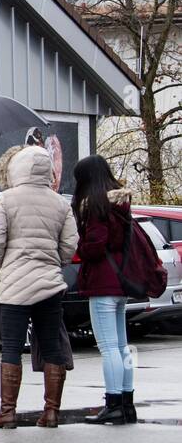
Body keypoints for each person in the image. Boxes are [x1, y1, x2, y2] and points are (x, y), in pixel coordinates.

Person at [0, 146, 78, 428]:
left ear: (17, 169)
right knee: (51, 346)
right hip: (49, 286)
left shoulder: (6, 200)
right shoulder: (60, 203)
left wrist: (3, 266)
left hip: (14, 286)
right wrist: (55, 262)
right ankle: (51, 412)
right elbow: (70, 245)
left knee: (11, 348)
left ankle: (8, 412)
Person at [72, 155, 136, 424]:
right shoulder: (121, 205)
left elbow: (95, 247)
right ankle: (127, 403)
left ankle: (113, 403)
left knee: (108, 347)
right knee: (122, 347)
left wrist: (79, 247)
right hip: (122, 282)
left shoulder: (96, 207)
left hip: (102, 283)